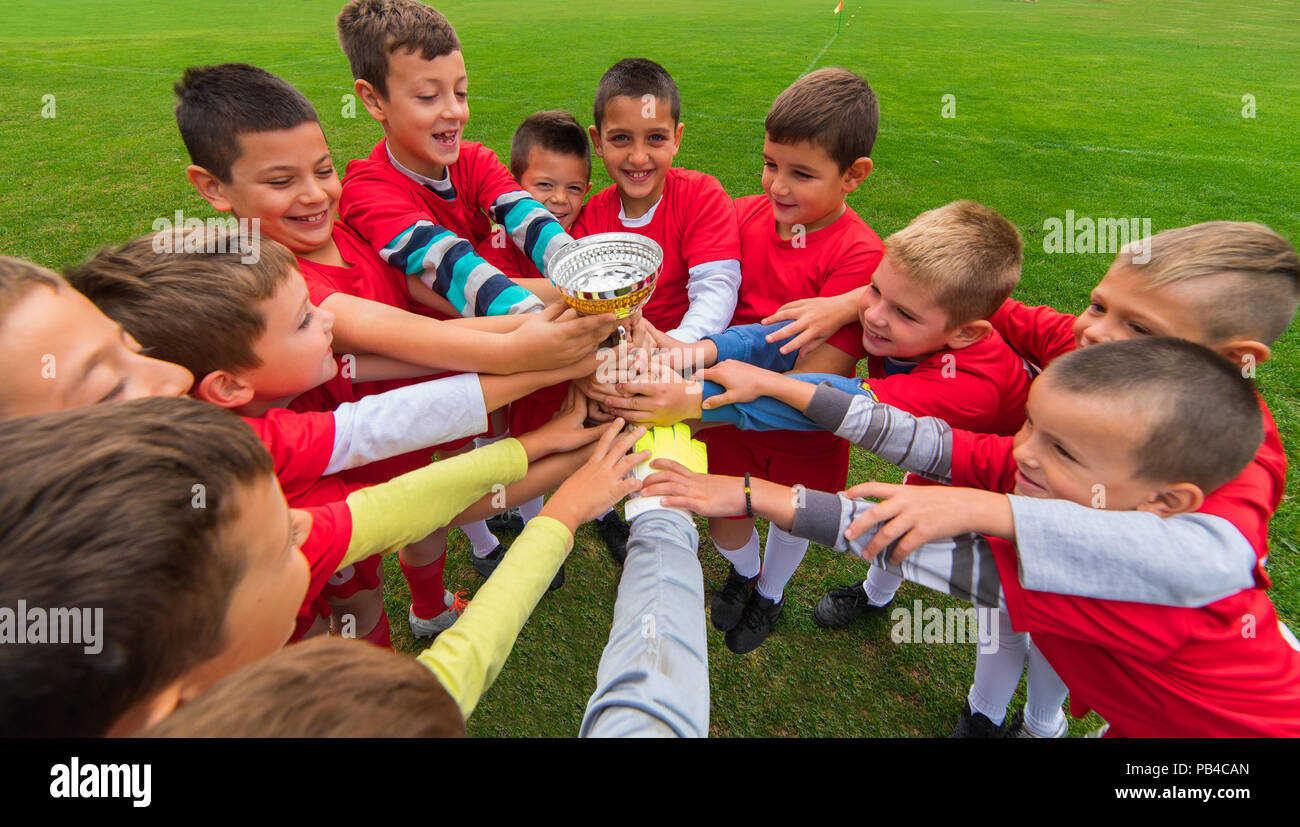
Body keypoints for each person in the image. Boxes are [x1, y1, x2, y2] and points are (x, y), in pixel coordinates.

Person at [642, 338, 1300, 737]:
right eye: (1031, 426)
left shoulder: (1129, 580)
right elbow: (924, 438)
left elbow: (914, 544)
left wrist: (750, 495)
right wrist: (782, 385)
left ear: (1165, 501)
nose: (1025, 455)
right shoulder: (1067, 483)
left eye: (1062, 448)